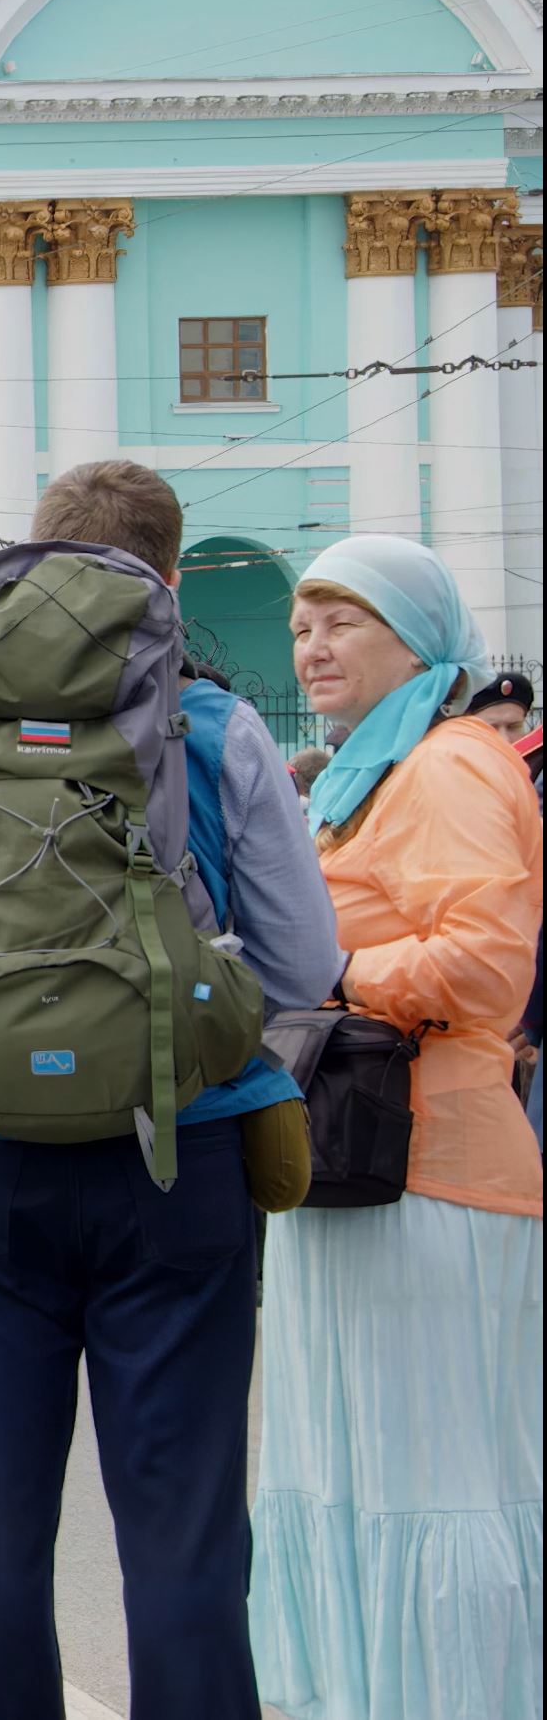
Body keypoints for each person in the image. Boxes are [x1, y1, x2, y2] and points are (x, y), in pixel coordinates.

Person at [0, 461, 340, 1719]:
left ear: (27, 558)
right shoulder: (213, 726)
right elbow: (306, 964)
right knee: (186, 1541)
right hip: (177, 1159)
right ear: (170, 579)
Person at [251, 537, 542, 1718]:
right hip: (357, 1164)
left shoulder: (450, 765)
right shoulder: (364, 773)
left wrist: (324, 968)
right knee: (346, 1470)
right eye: (300, 627)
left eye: (341, 622)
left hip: (434, 1173)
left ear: (415, 636)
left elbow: (485, 964)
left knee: (431, 1474)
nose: (312, 648)